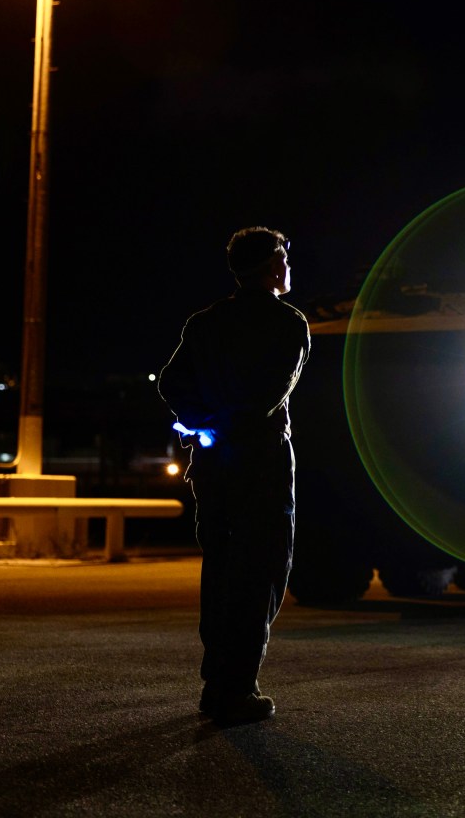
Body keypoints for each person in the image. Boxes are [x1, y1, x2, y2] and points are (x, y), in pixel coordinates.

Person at [158, 226, 312, 724]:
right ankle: (236, 688)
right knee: (262, 571)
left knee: (221, 568)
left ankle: (216, 680)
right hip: (261, 464)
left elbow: (171, 382)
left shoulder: (205, 322)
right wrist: (228, 424)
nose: (288, 264)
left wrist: (202, 424)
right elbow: (268, 396)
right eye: (284, 256)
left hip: (212, 465)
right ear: (272, 264)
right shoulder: (287, 322)